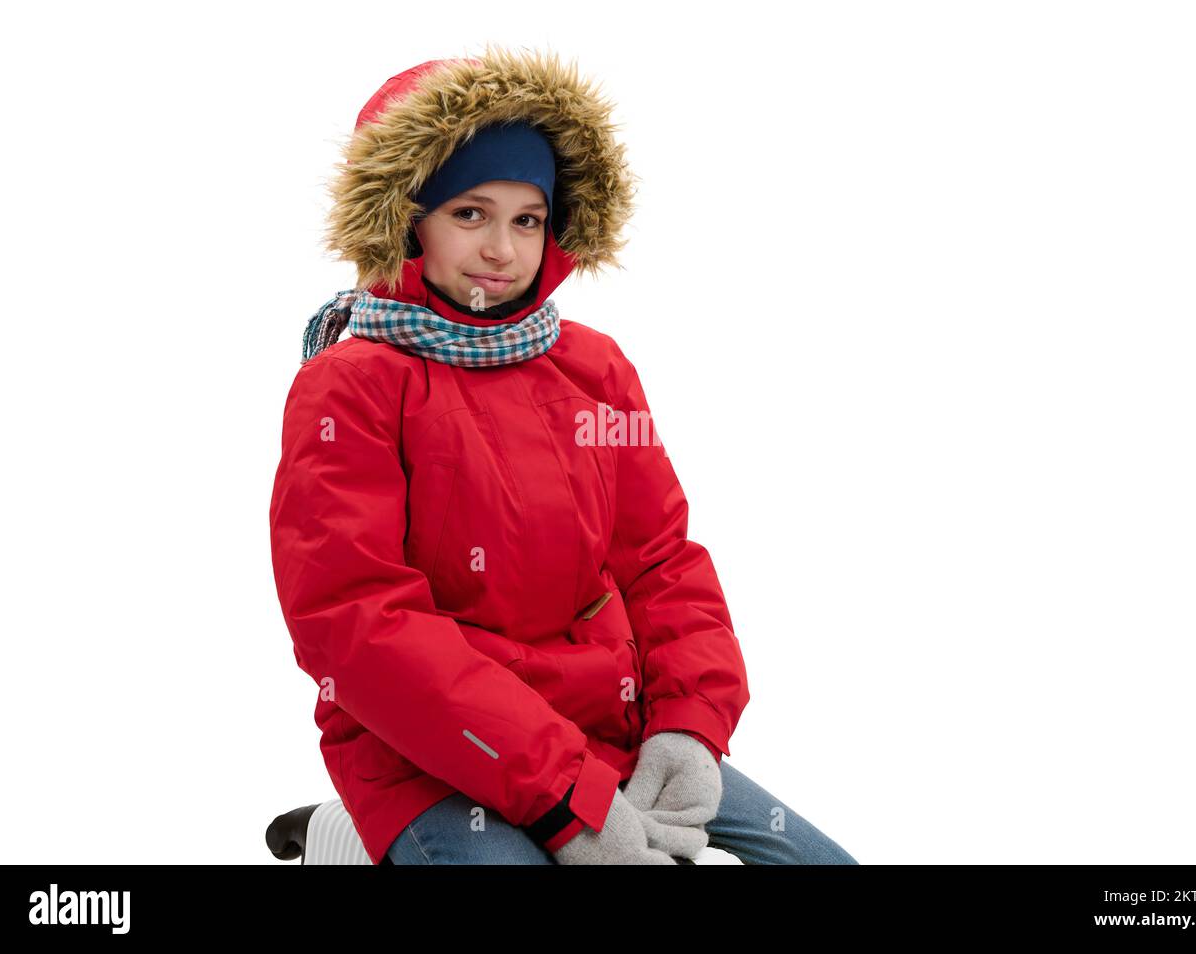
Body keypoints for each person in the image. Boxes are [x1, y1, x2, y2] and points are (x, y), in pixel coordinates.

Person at [268, 45, 859, 865]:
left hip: (608, 732)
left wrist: (688, 728)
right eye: (469, 213)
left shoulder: (594, 368)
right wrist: (560, 796)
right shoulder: (352, 386)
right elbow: (359, 624)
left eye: (527, 219)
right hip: (429, 760)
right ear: (407, 220)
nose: (503, 250)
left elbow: (660, 561)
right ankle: (352, 837)